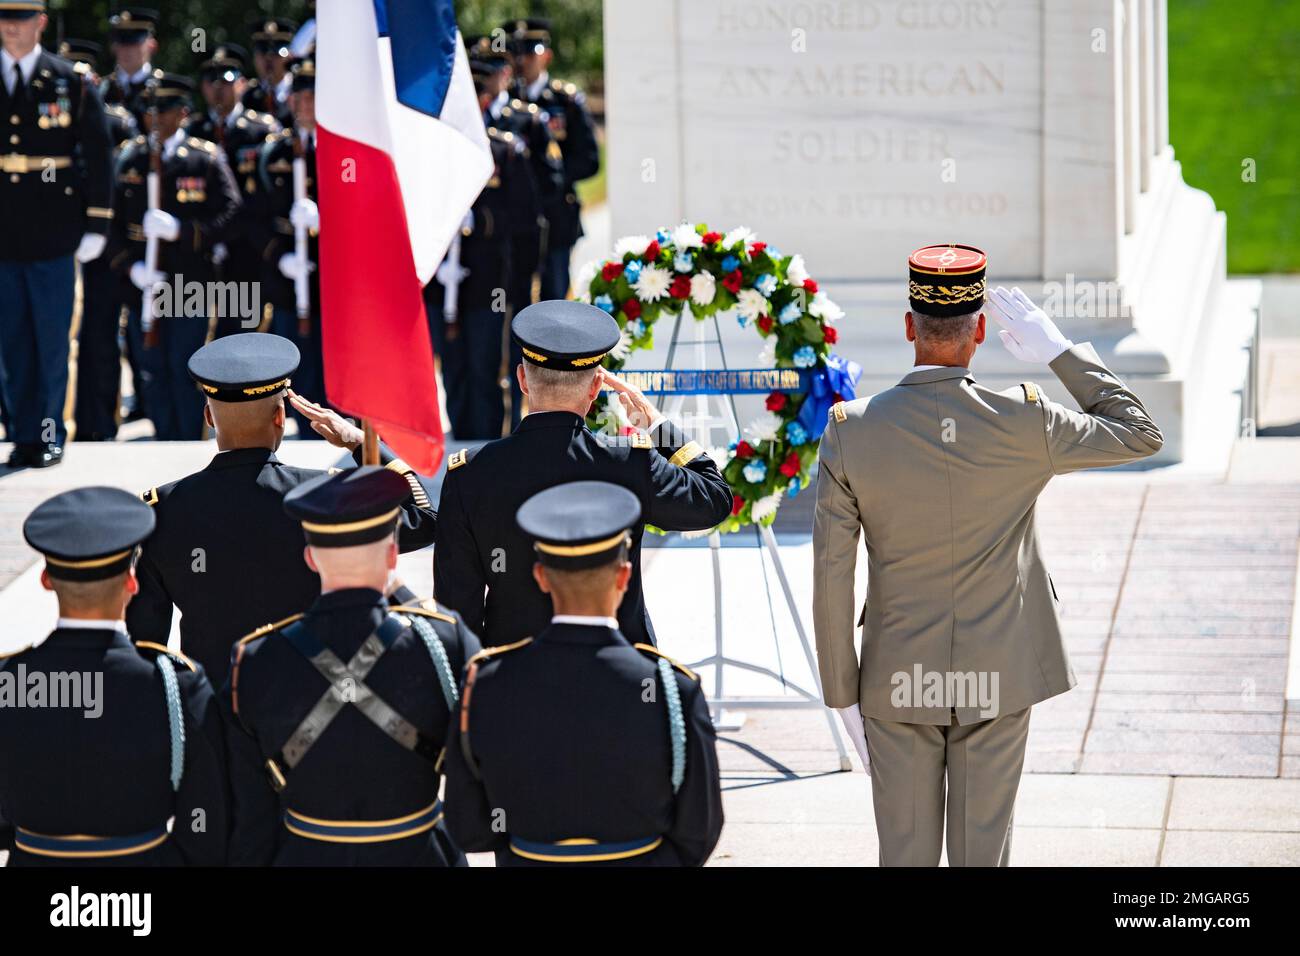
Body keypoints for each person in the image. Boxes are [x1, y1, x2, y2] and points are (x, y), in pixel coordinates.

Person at [812, 244, 1164, 867]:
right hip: (998, 674)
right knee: (983, 857)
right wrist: (1059, 350)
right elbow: (1140, 432)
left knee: (905, 856)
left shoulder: (851, 430)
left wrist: (841, 692)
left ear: (907, 326)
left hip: (898, 676)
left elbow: (832, 577)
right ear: (981, 330)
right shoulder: (1026, 421)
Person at [126, 332, 436, 685]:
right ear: (280, 417)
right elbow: (424, 520)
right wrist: (359, 443)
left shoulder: (161, 509)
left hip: (212, 714)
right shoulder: (324, 497)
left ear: (209, 418)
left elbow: (147, 647)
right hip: (310, 712)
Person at [443, 480, 723, 865]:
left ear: (540, 576)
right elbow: (699, 830)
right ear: (623, 577)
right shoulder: (671, 690)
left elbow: (468, 827)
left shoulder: (487, 683)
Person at [434, 300, 733, 648]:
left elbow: (456, 615)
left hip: (512, 685)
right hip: (619, 680)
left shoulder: (470, 474)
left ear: (522, 380)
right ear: (595, 389)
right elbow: (714, 499)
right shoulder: (629, 462)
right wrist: (656, 425)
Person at [222, 466, 481, 866]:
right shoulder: (445, 643)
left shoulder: (254, 659)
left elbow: (246, 807)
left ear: (310, 558)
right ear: (393, 553)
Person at [0, 486, 228, 865]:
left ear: (46, 580)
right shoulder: (175, 684)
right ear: (132, 582)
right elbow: (205, 817)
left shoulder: (10, 681)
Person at [0, 0, 113, 468]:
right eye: (4, 18)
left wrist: (98, 222)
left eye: (22, 18)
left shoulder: (70, 80)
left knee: (50, 339)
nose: (11, 27)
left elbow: (99, 152)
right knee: (11, 342)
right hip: (4, 232)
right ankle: (22, 432)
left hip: (53, 230)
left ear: (40, 23)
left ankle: (48, 433)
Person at [106, 71, 241, 440]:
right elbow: (108, 222)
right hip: (143, 285)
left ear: (182, 113)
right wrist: (130, 268)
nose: (154, 119)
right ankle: (163, 438)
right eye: (149, 111)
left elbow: (231, 215)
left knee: (187, 368)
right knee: (150, 370)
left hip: (189, 285)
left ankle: (186, 442)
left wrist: (182, 231)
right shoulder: (129, 159)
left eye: (163, 111)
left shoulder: (204, 159)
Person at [423, 58, 541, 440]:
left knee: (486, 364)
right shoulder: (434, 153)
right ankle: (460, 438)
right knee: (453, 366)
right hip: (444, 281)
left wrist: (481, 224)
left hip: (490, 283)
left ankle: (490, 445)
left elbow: (525, 215)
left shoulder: (503, 152)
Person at [470, 36, 563, 427]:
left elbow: (550, 184)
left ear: (505, 75)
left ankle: (521, 427)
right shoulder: (468, 120)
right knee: (481, 350)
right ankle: (486, 429)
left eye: (489, 75)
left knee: (517, 345)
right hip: (476, 258)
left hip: (516, 254)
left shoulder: (526, 121)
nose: (483, 84)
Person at [61, 38, 138, 444]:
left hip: (104, 249)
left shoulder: (116, 122)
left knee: (102, 341)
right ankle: (63, 421)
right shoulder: (52, 122)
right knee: (59, 340)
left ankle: (102, 426)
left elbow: (121, 191)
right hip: (58, 245)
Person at [249, 56, 323, 437]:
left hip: (331, 282)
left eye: (312, 95)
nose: (305, 103)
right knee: (294, 365)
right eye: (299, 95)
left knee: (330, 369)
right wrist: (281, 257)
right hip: (287, 278)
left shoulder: (342, 152)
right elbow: (255, 220)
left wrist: (326, 225)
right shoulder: (273, 153)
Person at [185, 42, 279, 340]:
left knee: (242, 334)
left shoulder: (261, 130)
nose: (218, 90)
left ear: (241, 83)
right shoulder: (193, 132)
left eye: (226, 81)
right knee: (196, 332)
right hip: (204, 244)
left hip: (247, 246)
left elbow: (267, 193)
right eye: (210, 82)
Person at [505, 17, 600, 301]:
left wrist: (552, 178)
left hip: (556, 215)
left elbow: (589, 159)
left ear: (546, 56)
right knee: (517, 298)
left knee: (554, 295)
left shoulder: (564, 101)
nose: (523, 62)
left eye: (530, 54)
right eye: (517, 53)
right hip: (516, 215)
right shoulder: (508, 101)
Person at [100, 6, 157, 128]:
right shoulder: (101, 88)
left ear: (151, 45)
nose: (127, 50)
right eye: (122, 43)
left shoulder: (163, 89)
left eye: (134, 43)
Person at [241, 16, 295, 129]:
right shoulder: (247, 97)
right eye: (262, 50)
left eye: (277, 51)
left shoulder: (300, 90)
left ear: (289, 55)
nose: (269, 58)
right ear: (255, 58)